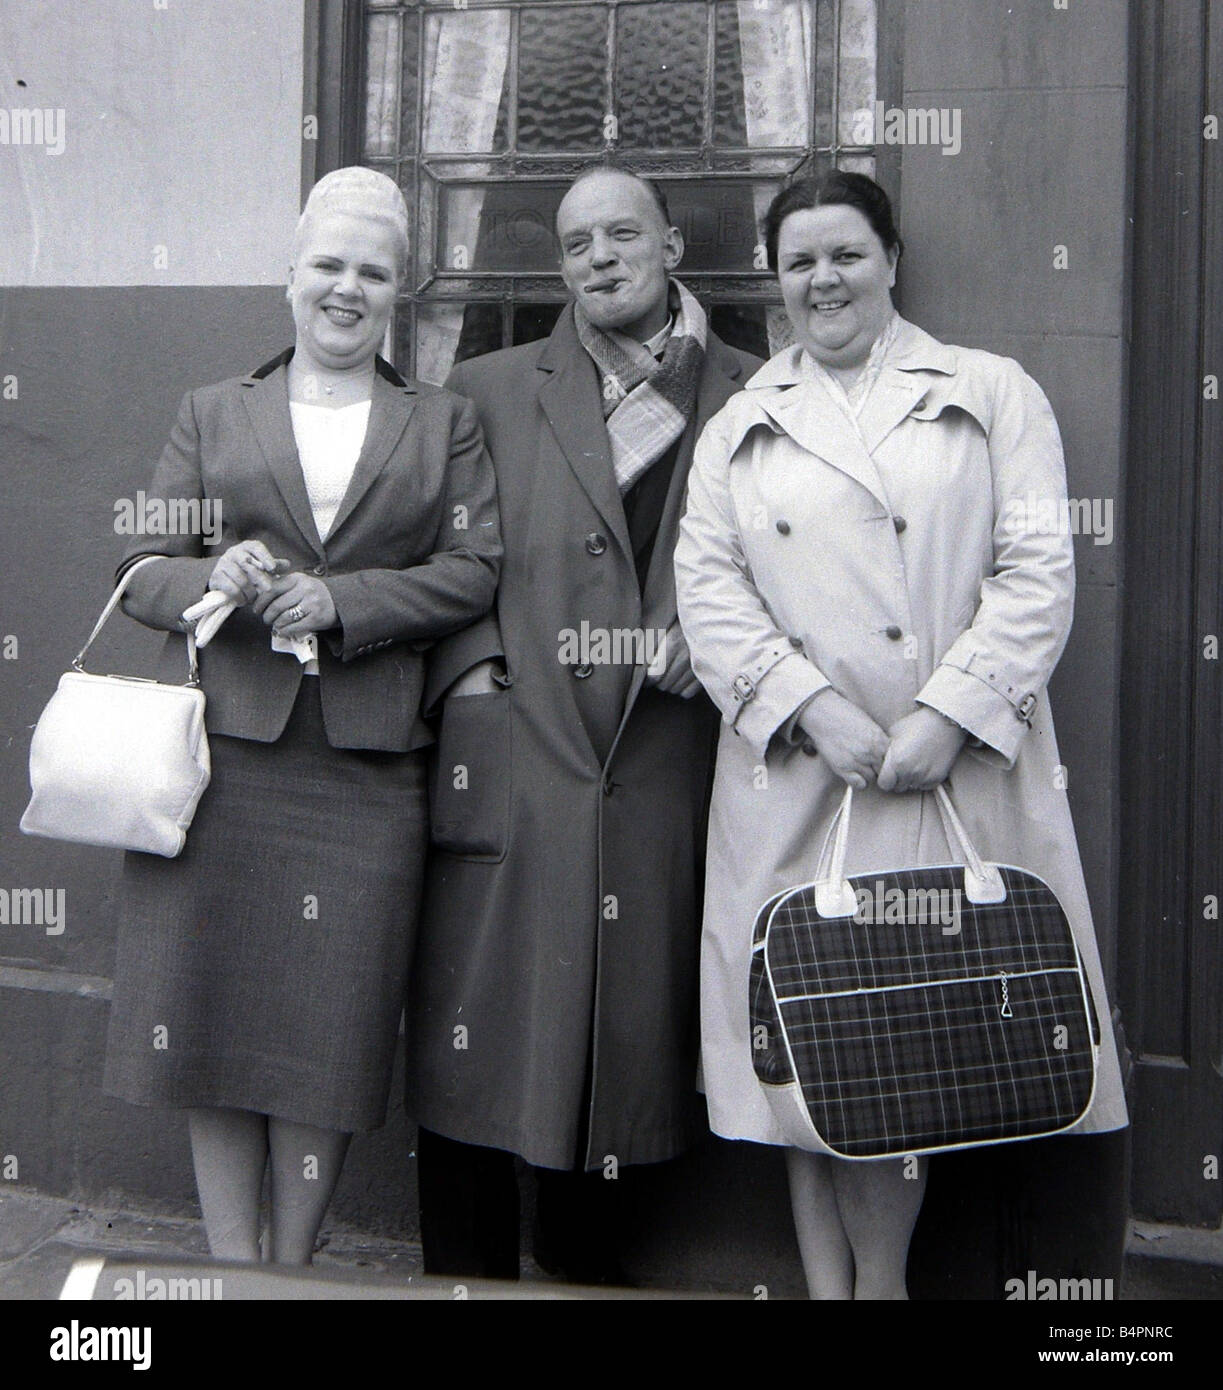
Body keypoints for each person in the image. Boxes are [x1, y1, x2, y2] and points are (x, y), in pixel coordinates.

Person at [674, 171, 1128, 1300]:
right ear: (773, 282)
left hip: (941, 776)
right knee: (803, 1052)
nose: (821, 279)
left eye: (844, 254)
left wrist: (947, 714)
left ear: (891, 259)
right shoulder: (739, 424)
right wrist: (808, 708)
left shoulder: (988, 390)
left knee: (902, 1050)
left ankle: (877, 1293)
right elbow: (709, 592)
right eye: (797, 262)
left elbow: (1035, 572)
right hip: (798, 778)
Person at [102, 167, 501, 1265]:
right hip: (223, 767)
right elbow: (139, 567)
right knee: (215, 1019)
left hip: (368, 772)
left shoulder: (442, 423)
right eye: (327, 264)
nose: (346, 288)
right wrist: (209, 576)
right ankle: (235, 1273)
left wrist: (346, 602)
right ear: (289, 277)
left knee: (328, 1032)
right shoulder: (211, 412)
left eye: (372, 271)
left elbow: (475, 569)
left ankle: (289, 1279)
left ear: (400, 290)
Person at [403, 163, 762, 1284]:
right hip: (519, 758)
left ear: (668, 245)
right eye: (574, 243)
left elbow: (796, 564)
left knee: (613, 1055)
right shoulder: (488, 388)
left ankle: (583, 1289)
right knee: (479, 1042)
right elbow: (439, 562)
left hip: (664, 765)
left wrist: (718, 637)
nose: (599, 257)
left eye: (621, 233)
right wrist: (470, 679)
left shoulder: (757, 393)